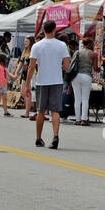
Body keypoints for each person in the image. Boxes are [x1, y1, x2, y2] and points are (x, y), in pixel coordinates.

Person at [25, 19, 70, 149]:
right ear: (55, 30)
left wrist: (27, 84)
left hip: (41, 81)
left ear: (44, 30)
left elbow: (31, 67)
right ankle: (55, 136)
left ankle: (39, 138)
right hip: (56, 81)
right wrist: (58, 67)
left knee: (41, 111)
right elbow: (67, 65)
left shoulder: (36, 46)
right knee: (55, 110)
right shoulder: (61, 45)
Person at [70, 38, 96, 126]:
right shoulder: (93, 54)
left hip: (75, 76)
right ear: (89, 44)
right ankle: (84, 119)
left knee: (77, 99)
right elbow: (95, 68)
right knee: (85, 99)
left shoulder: (77, 52)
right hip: (86, 76)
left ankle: (77, 119)